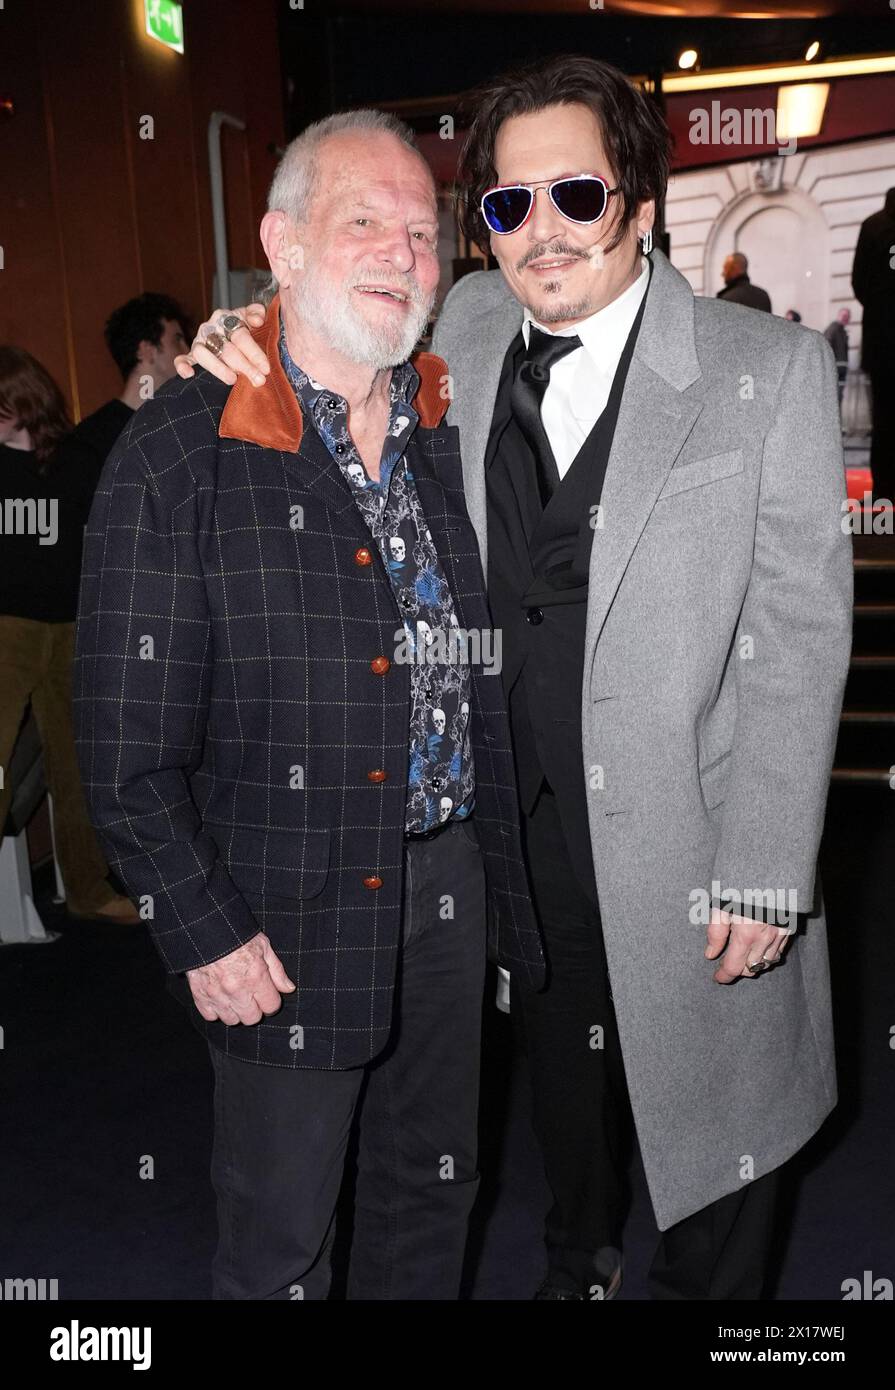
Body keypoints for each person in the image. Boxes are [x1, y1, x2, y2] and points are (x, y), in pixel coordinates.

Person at [191, 55, 852, 1304]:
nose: (540, 231)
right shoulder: (472, 330)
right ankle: (578, 1263)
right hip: (520, 854)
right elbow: (343, 316)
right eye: (507, 205)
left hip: (696, 844)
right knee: (567, 1117)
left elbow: (802, 635)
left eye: (577, 196)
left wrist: (768, 861)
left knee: (720, 1152)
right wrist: (247, 328)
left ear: (641, 207)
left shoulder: (765, 371)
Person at [73, 110, 543, 1301]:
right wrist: (202, 929)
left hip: (447, 889)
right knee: (281, 1244)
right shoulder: (185, 447)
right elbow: (123, 747)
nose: (403, 251)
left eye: (423, 231)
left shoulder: (448, 420)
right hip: (276, 910)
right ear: (280, 245)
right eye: (362, 222)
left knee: (431, 1196)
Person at [0, 347, 139, 924]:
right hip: (8, 629)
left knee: (78, 769)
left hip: (73, 629)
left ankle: (87, 889)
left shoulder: (74, 459)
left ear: (21, 400)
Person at [54, 293, 189, 518]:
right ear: (147, 350)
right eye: (177, 339)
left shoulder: (178, 425)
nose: (187, 349)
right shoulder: (87, 445)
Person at [852, 188, 895, 502]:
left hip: (882, 343)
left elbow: (859, 282)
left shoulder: (872, 226)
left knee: (884, 421)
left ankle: (885, 489)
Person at [823, 307, 851, 404]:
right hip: (835, 368)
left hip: (841, 369)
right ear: (838, 316)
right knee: (835, 398)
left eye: (847, 317)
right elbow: (826, 345)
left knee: (839, 397)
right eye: (844, 316)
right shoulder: (833, 328)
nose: (845, 318)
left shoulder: (843, 331)